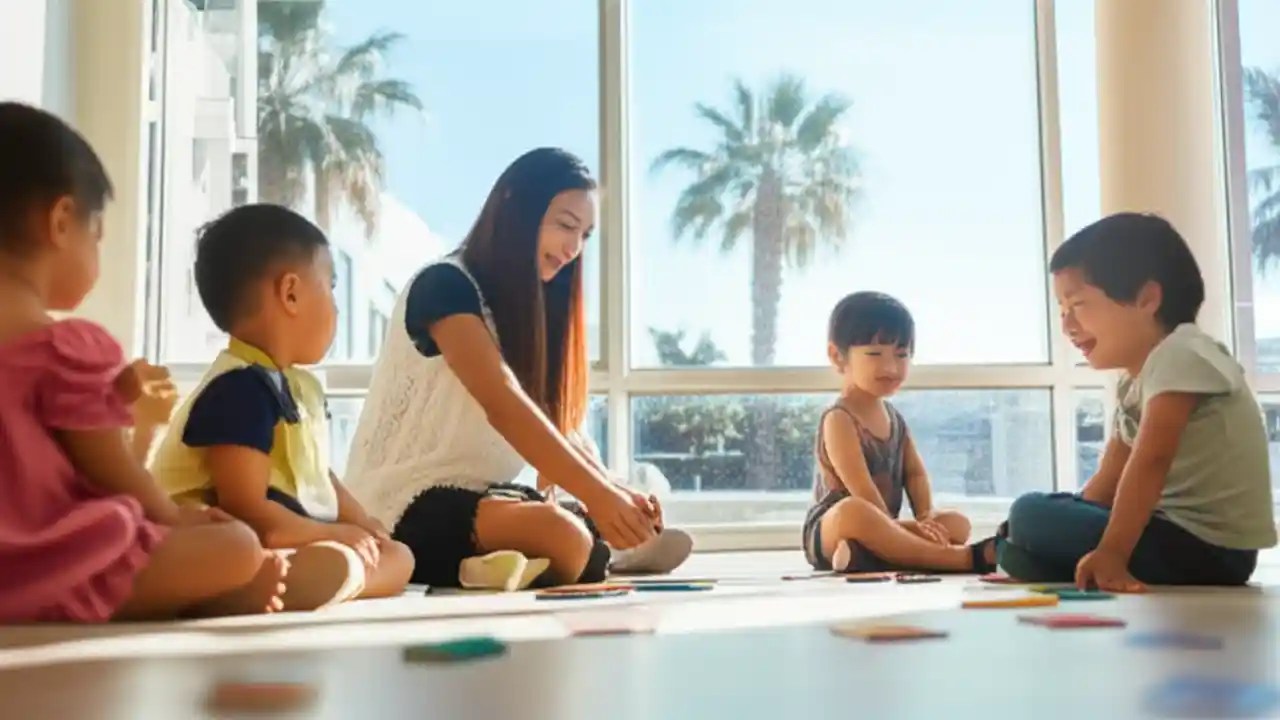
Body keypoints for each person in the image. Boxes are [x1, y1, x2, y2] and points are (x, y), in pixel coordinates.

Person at [345, 147, 691, 591]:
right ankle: (591, 552)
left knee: (569, 529)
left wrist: (615, 491)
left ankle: (560, 555)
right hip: (401, 505)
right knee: (564, 536)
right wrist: (598, 497)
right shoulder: (444, 286)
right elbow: (503, 403)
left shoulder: (529, 317)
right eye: (566, 226)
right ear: (513, 206)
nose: (574, 248)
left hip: (482, 499)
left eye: (585, 235)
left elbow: (557, 428)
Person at [0, 101, 290, 622]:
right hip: (46, 570)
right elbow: (112, 473)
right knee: (238, 545)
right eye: (97, 235)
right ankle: (197, 596)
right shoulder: (66, 348)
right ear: (61, 222)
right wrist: (174, 517)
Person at [981, 213, 1275, 591]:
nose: (1067, 325)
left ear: (1146, 299)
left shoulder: (1181, 352)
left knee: (1029, 513)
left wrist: (1112, 553)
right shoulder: (1135, 383)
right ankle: (1004, 548)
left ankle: (1001, 547)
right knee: (1022, 546)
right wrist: (1066, 517)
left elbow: (1152, 459)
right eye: (1062, 311)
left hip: (1207, 548)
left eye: (1079, 304)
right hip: (1172, 540)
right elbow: (1104, 488)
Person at [150, 204, 413, 607]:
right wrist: (331, 534)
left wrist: (362, 523)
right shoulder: (239, 389)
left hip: (280, 534)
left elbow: (318, 475)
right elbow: (248, 510)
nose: (337, 308)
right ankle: (288, 581)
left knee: (400, 555)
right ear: (291, 293)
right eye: (331, 287)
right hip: (217, 536)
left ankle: (328, 577)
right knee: (244, 548)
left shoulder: (291, 387)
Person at [804, 291, 993, 574]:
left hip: (884, 526)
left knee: (957, 524)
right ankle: (959, 559)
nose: (891, 367)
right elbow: (862, 489)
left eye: (901, 355)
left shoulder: (895, 419)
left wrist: (926, 515)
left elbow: (914, 473)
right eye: (874, 354)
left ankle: (871, 555)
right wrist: (901, 527)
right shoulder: (839, 419)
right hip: (833, 528)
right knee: (854, 511)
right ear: (837, 356)